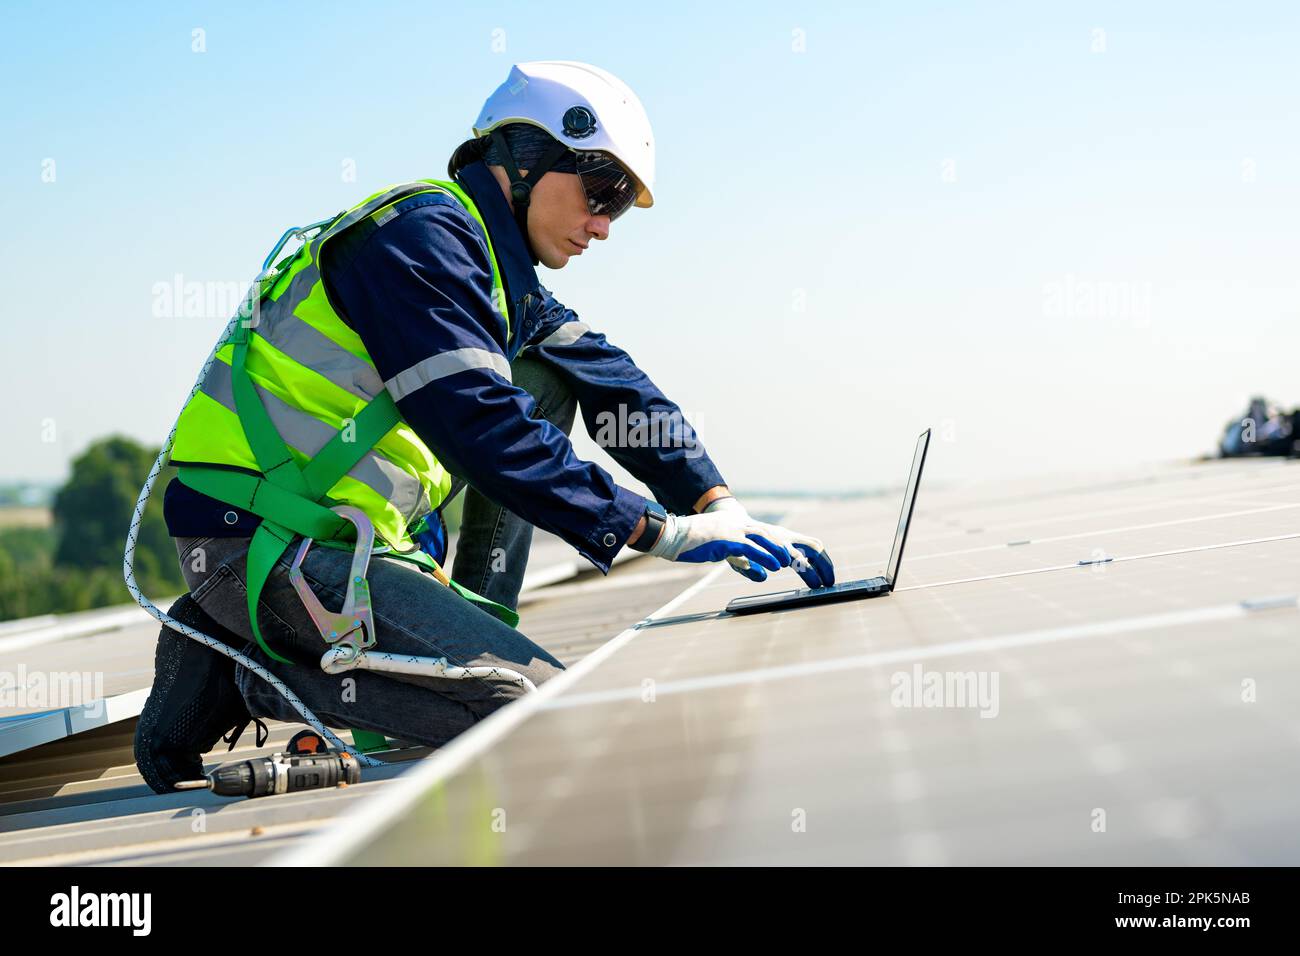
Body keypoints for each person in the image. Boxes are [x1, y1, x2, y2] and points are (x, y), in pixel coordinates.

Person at [134, 61, 834, 793]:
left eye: (619, 206)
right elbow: (485, 427)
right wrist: (660, 532)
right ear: (524, 161)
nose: (603, 224)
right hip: (264, 541)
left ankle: (469, 628)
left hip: (343, 534)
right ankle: (241, 669)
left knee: (557, 371)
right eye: (602, 192)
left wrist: (716, 504)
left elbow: (613, 383)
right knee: (527, 712)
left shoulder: (497, 276)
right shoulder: (417, 240)